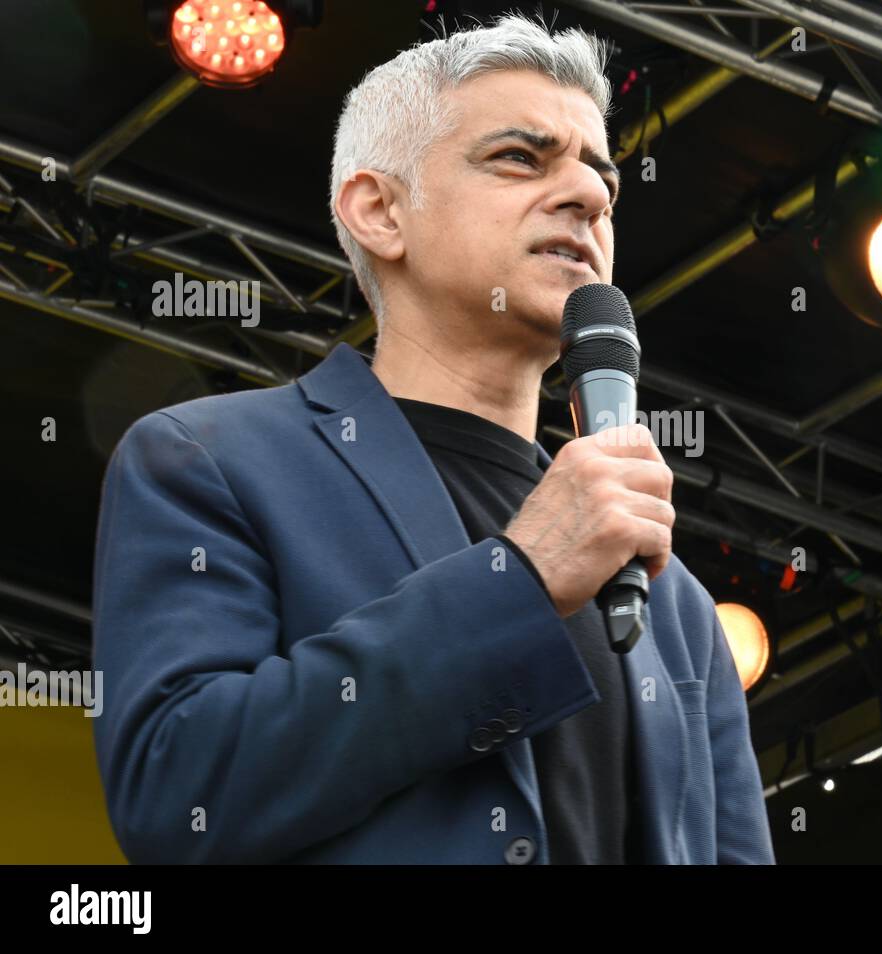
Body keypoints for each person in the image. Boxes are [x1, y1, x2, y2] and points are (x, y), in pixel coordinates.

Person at [91, 12, 775, 865]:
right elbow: (175, 792)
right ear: (379, 211)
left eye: (603, 178)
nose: (590, 196)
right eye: (520, 158)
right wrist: (521, 584)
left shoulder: (677, 605)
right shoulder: (210, 460)